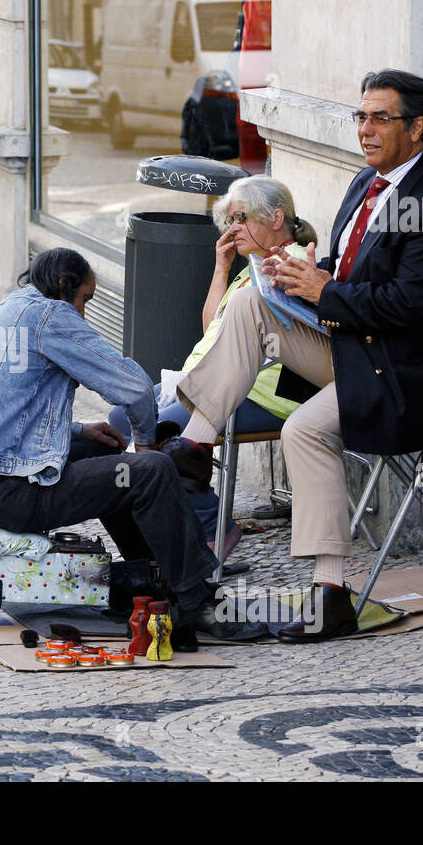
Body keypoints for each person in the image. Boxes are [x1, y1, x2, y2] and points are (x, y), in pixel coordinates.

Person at [175, 69, 423, 642]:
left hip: (404, 376)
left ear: (417, 127)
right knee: (252, 305)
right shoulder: (365, 183)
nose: (365, 129)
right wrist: (302, 276)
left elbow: (411, 305)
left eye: (380, 118)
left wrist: (323, 289)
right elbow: (351, 274)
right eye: (360, 116)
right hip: (353, 349)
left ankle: (330, 596)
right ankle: (195, 445)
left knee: (305, 429)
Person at [0, 247, 266, 647]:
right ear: (63, 287)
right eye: (86, 300)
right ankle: (197, 601)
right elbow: (134, 387)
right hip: (10, 494)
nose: (85, 314)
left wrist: (76, 431)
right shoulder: (49, 316)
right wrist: (145, 446)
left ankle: (155, 581)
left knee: (108, 457)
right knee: (151, 471)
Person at [108, 175, 313, 560]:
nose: (233, 229)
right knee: (122, 416)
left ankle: (206, 527)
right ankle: (167, 523)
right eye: (230, 220)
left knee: (161, 434)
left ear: (275, 218)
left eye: (241, 218)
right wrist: (221, 267)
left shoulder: (292, 262)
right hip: (202, 379)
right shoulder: (250, 266)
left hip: (256, 391)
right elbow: (211, 330)